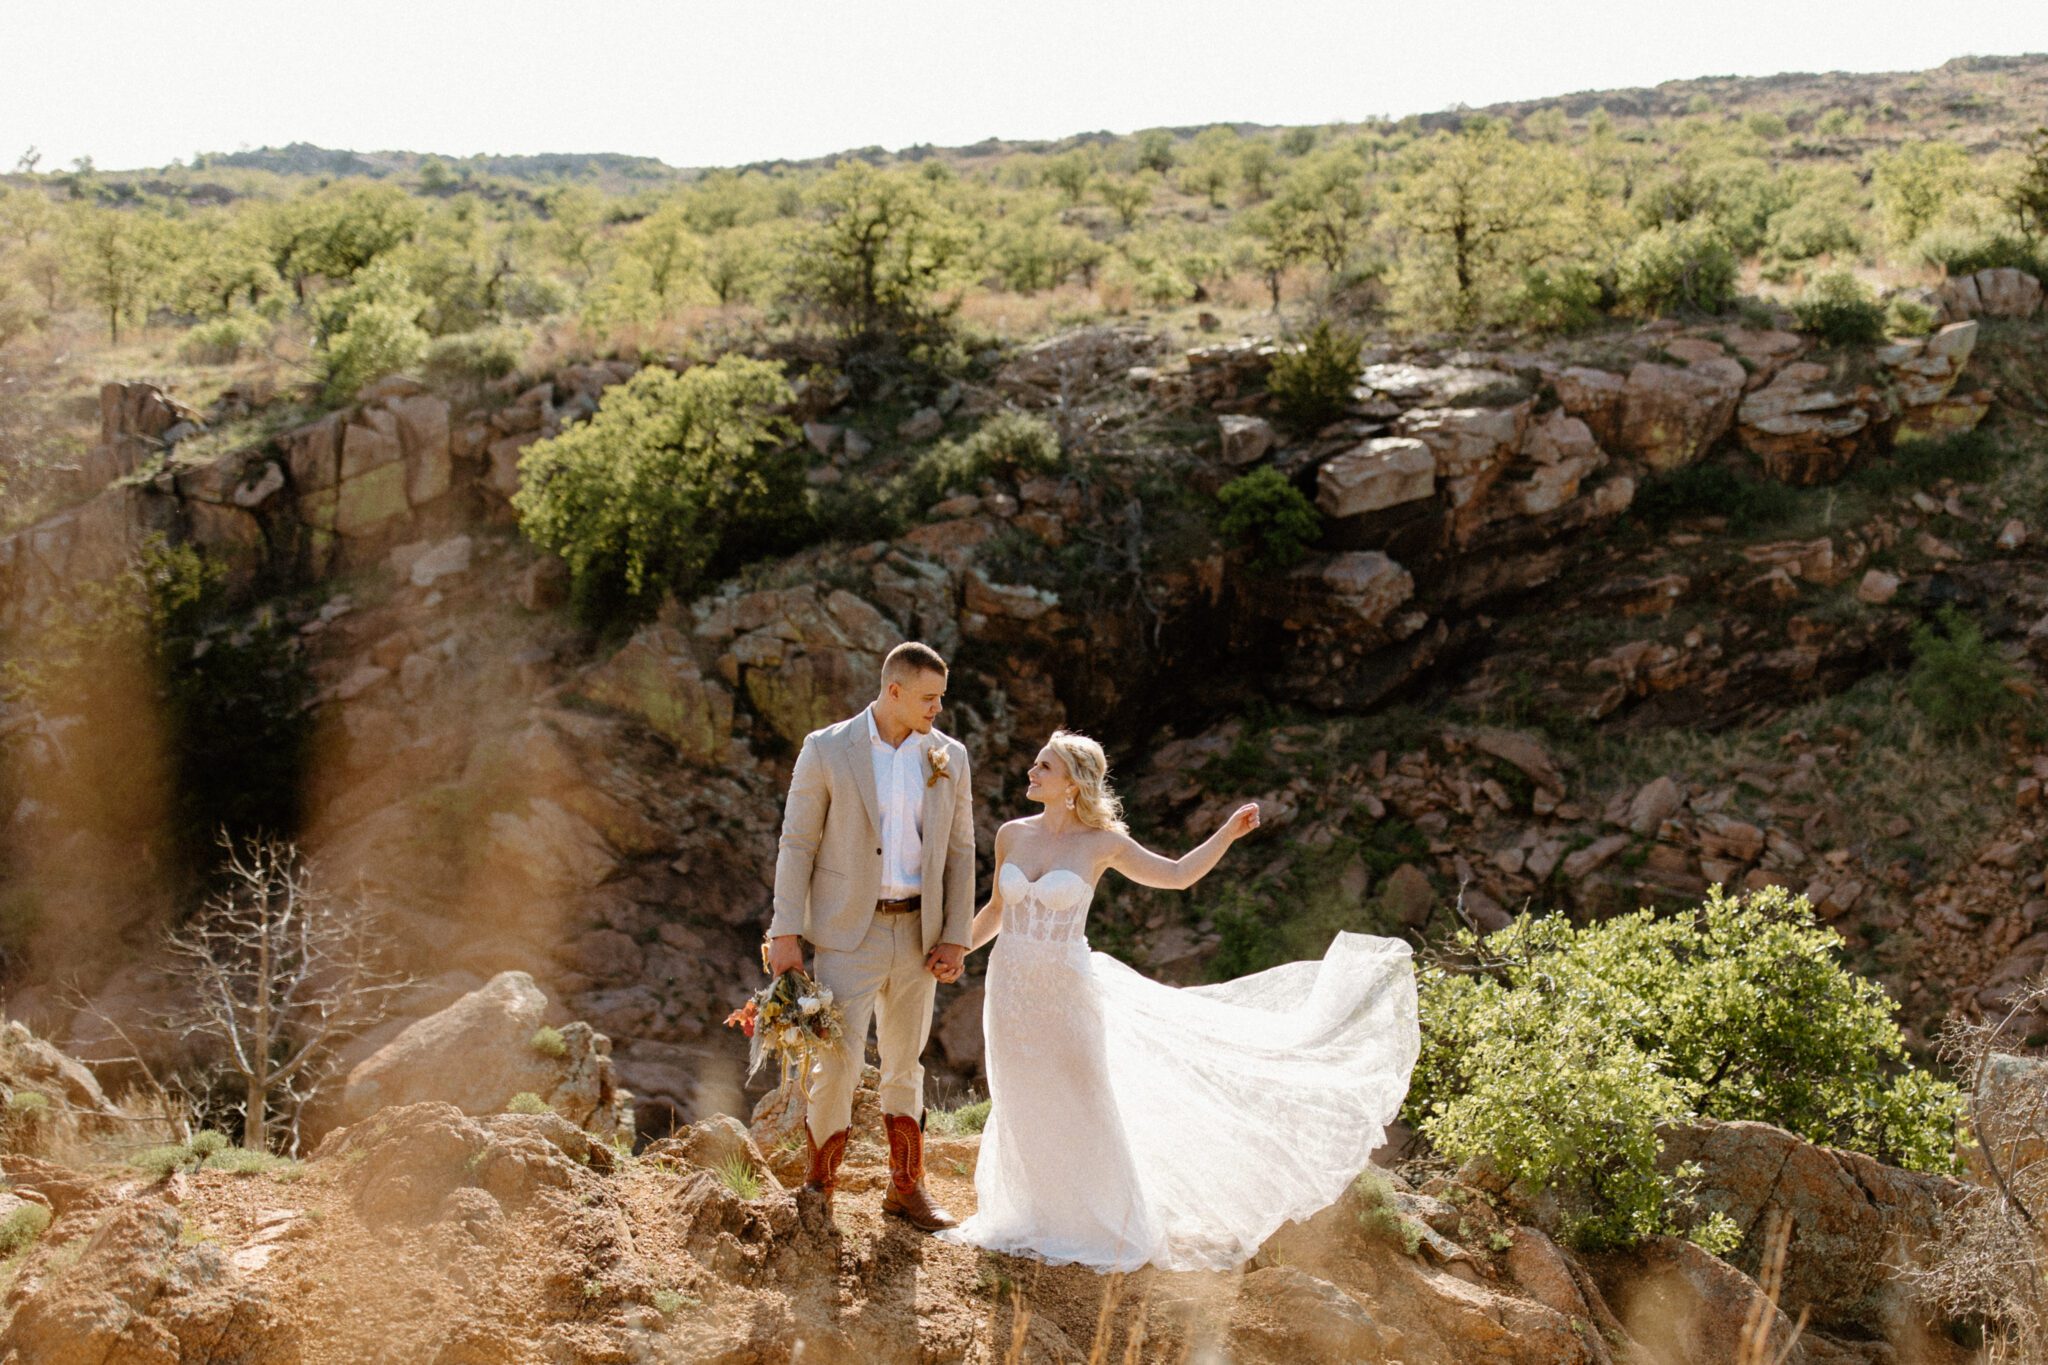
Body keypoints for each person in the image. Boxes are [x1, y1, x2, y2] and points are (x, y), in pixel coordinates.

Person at [941, 730, 1419, 1272]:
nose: (1031, 772)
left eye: (1043, 766)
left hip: (1066, 988)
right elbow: (997, 910)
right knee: (1020, 1091)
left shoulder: (1103, 844)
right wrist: (956, 950)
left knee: (1083, 1093)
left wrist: (1226, 834)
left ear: (1072, 783)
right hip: (1009, 985)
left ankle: (1102, 1221)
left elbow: (1176, 876)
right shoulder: (1011, 835)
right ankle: (1030, 1213)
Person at [766, 641, 975, 1232]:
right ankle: (819, 1186)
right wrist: (785, 933)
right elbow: (796, 844)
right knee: (836, 1064)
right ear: (895, 692)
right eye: (929, 697)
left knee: (905, 1065)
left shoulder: (949, 757)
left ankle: (906, 1189)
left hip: (919, 933)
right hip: (844, 936)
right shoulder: (827, 748)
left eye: (941, 697)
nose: (938, 708)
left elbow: (961, 849)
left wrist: (955, 935)